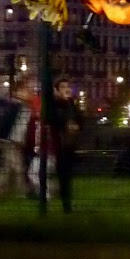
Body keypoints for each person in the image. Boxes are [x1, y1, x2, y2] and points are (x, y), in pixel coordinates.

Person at [0, 78, 36, 199]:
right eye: (26, 90)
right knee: (18, 167)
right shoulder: (15, 106)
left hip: (16, 141)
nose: (30, 92)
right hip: (11, 141)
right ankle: (25, 192)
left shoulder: (24, 107)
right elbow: (5, 123)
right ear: (17, 92)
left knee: (8, 169)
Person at [47, 77, 83, 212]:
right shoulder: (55, 104)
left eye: (67, 86)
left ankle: (66, 202)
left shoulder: (70, 103)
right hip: (58, 144)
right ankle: (63, 202)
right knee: (60, 174)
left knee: (66, 175)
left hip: (69, 144)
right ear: (56, 90)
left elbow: (79, 119)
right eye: (62, 87)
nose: (66, 89)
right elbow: (54, 120)